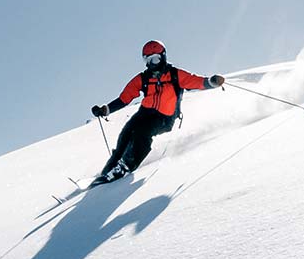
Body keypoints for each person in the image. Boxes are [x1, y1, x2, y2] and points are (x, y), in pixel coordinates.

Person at [90, 40, 224, 183]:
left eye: (155, 59)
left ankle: (126, 166)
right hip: (144, 113)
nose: (152, 64)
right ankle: (109, 170)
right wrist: (106, 109)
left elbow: (195, 81)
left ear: (163, 56)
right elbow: (125, 98)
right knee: (126, 133)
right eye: (148, 60)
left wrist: (211, 82)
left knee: (142, 132)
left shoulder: (175, 75)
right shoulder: (143, 78)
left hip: (165, 117)